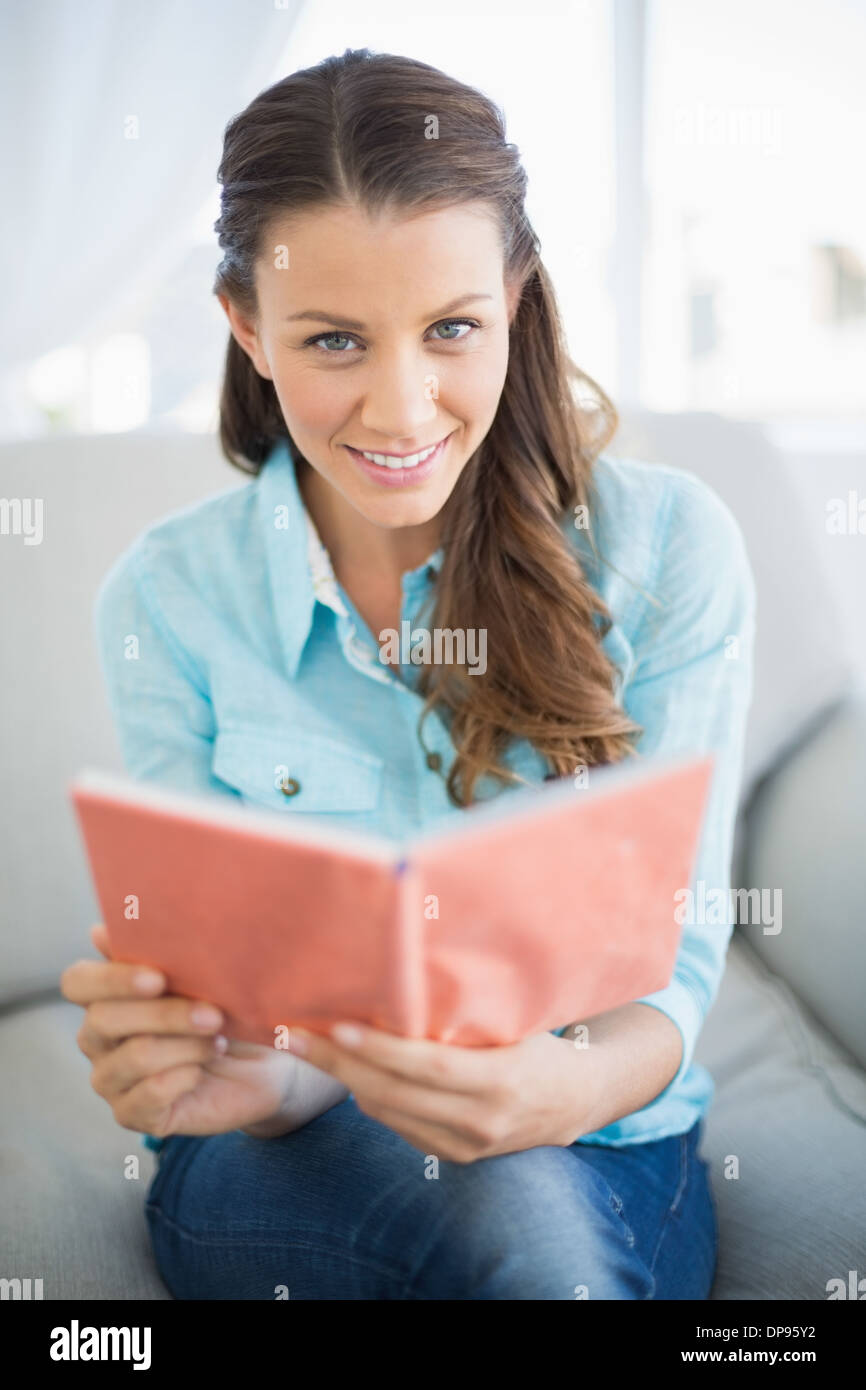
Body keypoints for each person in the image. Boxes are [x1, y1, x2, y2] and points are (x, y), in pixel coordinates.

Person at [60, 48, 755, 1300]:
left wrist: (560, 1086)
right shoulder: (166, 599)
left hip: (590, 1127)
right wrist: (239, 1071)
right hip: (281, 1141)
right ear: (246, 328)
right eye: (332, 340)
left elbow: (677, 967)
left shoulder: (668, 550)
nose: (400, 409)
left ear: (515, 297)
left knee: (531, 1241)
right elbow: (250, 1012)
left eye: (450, 329)